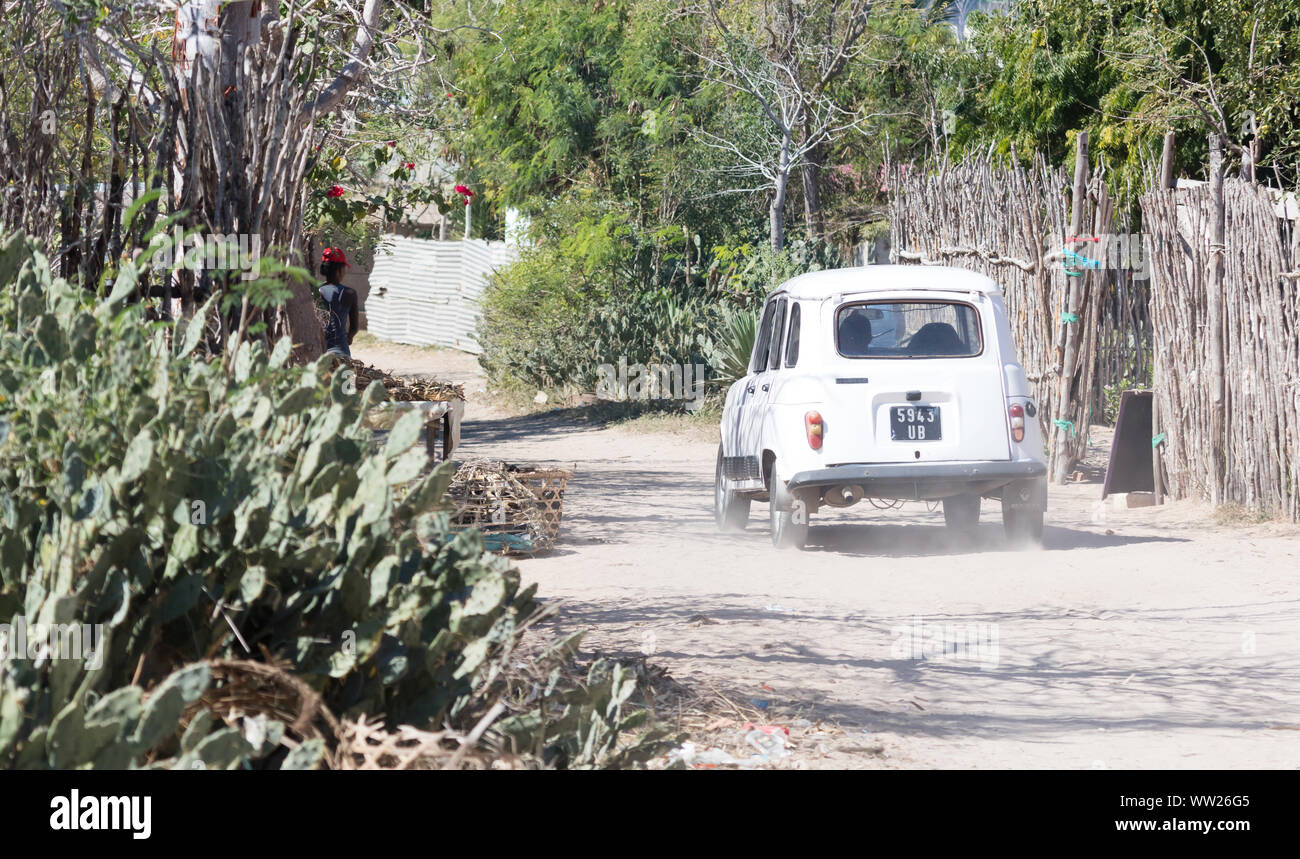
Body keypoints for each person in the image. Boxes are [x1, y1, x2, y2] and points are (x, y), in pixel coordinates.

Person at [317, 247, 359, 359]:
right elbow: (354, 327)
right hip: (342, 353)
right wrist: (349, 337)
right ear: (339, 270)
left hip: (318, 355)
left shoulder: (314, 292)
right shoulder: (349, 293)